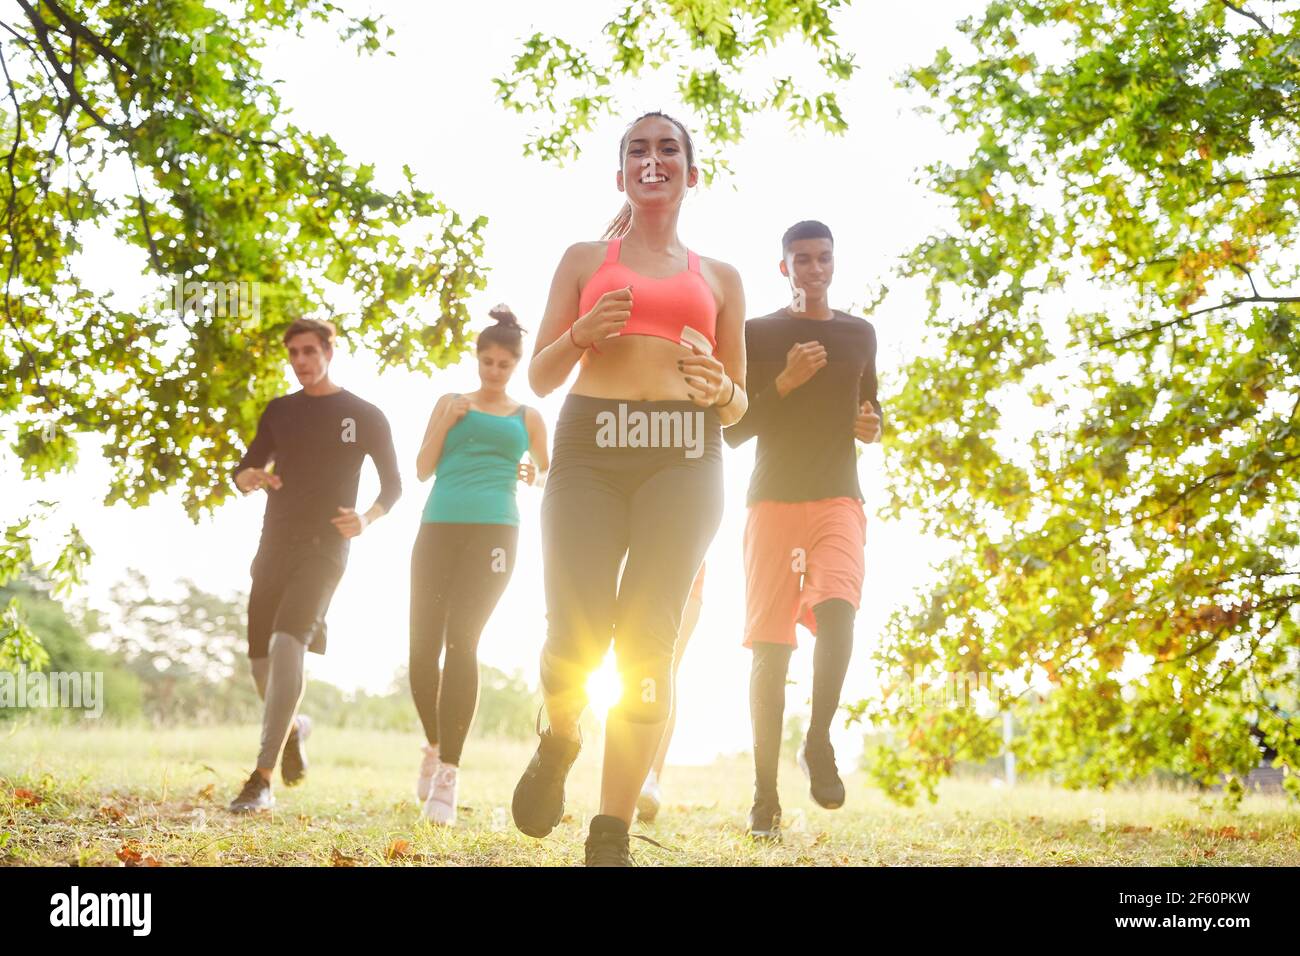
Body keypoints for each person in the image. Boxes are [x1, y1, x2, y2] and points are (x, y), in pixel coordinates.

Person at [511, 111, 748, 865]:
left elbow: (741, 408)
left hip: (684, 455)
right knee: (571, 638)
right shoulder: (584, 259)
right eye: (638, 150)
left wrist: (722, 390)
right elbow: (540, 378)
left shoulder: (721, 278)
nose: (654, 159)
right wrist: (581, 334)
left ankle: (609, 830)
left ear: (691, 172)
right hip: (590, 446)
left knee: (649, 642)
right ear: (620, 176)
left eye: (668, 149)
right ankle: (560, 737)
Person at [722, 220, 883, 840]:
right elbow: (732, 431)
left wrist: (870, 425)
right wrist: (783, 382)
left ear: (834, 263)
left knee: (839, 611)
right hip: (773, 502)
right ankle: (765, 797)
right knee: (771, 649)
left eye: (823, 259)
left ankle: (818, 741)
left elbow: (868, 407)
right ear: (783, 267)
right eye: (802, 260)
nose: (814, 269)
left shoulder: (859, 332)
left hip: (840, 495)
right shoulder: (758, 335)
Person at [228, 318, 401, 813]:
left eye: (309, 351)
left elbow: (393, 486)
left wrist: (366, 519)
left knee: (288, 643)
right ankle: (294, 730)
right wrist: (250, 477)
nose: (301, 361)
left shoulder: (364, 414)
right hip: (274, 546)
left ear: (329, 350)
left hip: (324, 548)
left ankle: (260, 780)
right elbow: (244, 465)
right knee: (261, 663)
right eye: (293, 354)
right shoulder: (280, 411)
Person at [409, 306, 549, 825]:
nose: (494, 371)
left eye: (504, 364)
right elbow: (422, 469)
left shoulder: (528, 417)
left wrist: (532, 472)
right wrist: (448, 421)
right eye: (487, 362)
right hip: (438, 527)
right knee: (421, 650)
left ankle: (447, 773)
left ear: (515, 363)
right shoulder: (451, 403)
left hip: (495, 531)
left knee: (462, 639)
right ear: (477, 359)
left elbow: (544, 473)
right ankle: (433, 742)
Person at [636, 560, 705, 822]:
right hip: (637, 564)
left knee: (667, 668)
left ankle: (650, 778)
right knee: (631, 667)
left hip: (688, 569)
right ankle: (629, 775)